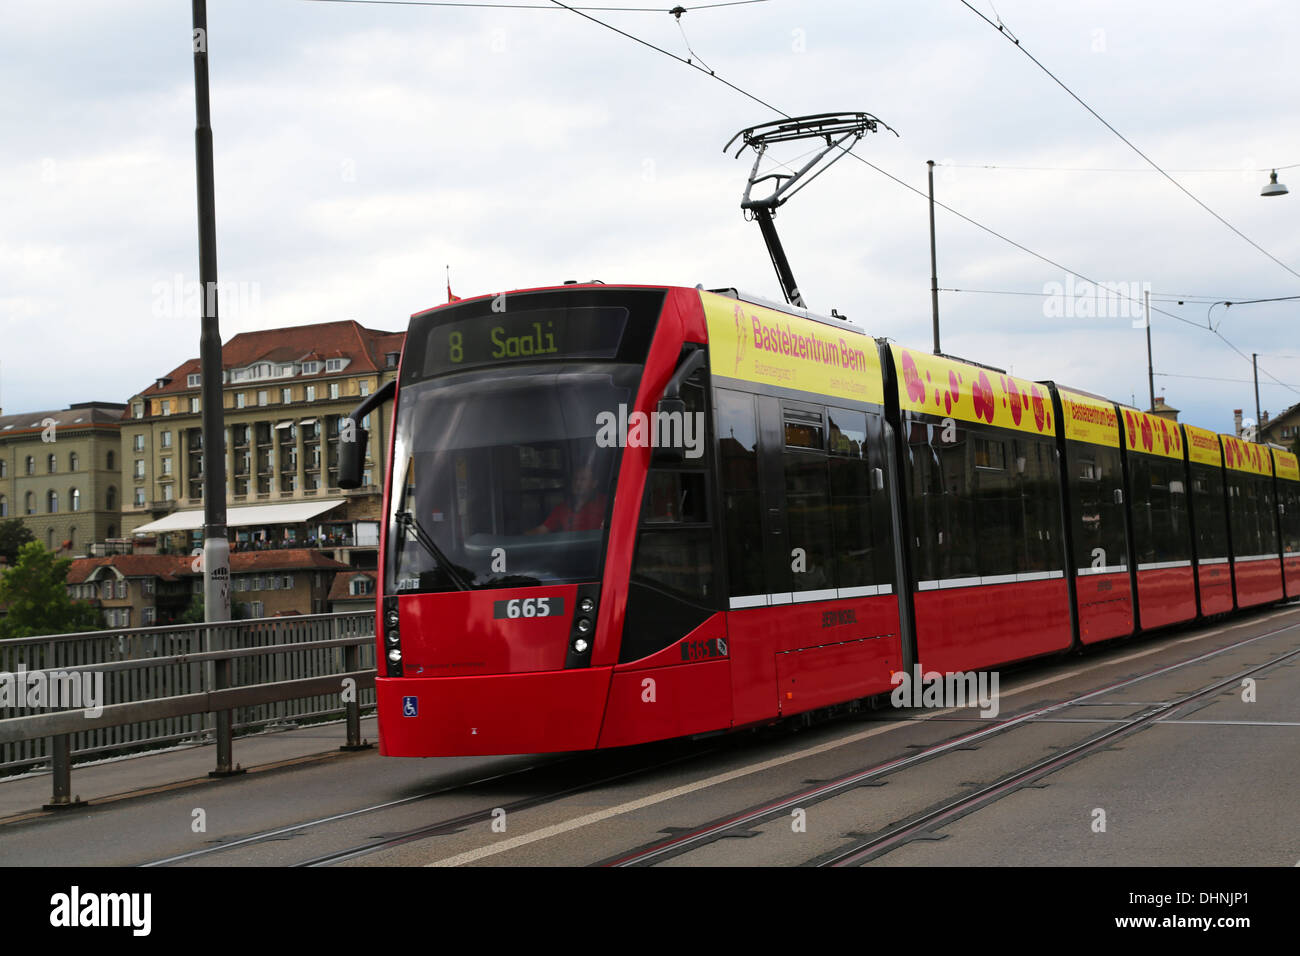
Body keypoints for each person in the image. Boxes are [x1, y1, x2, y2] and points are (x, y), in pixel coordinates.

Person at [527, 463, 607, 534]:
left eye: (583, 479)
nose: (578, 483)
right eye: (575, 479)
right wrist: (517, 540)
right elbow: (542, 530)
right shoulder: (562, 508)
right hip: (571, 549)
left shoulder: (606, 503)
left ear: (594, 483)